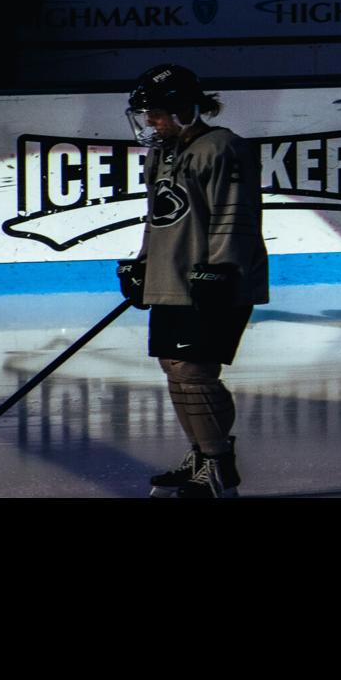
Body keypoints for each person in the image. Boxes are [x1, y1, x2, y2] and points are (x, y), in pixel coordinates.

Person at [118, 63, 268, 498]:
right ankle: (204, 457)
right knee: (174, 368)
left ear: (186, 108)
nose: (150, 121)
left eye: (158, 112)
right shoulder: (161, 153)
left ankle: (218, 465)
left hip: (218, 278)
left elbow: (236, 212)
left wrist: (221, 267)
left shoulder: (224, 147)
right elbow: (158, 217)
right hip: (174, 277)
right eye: (146, 113)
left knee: (193, 369)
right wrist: (143, 263)